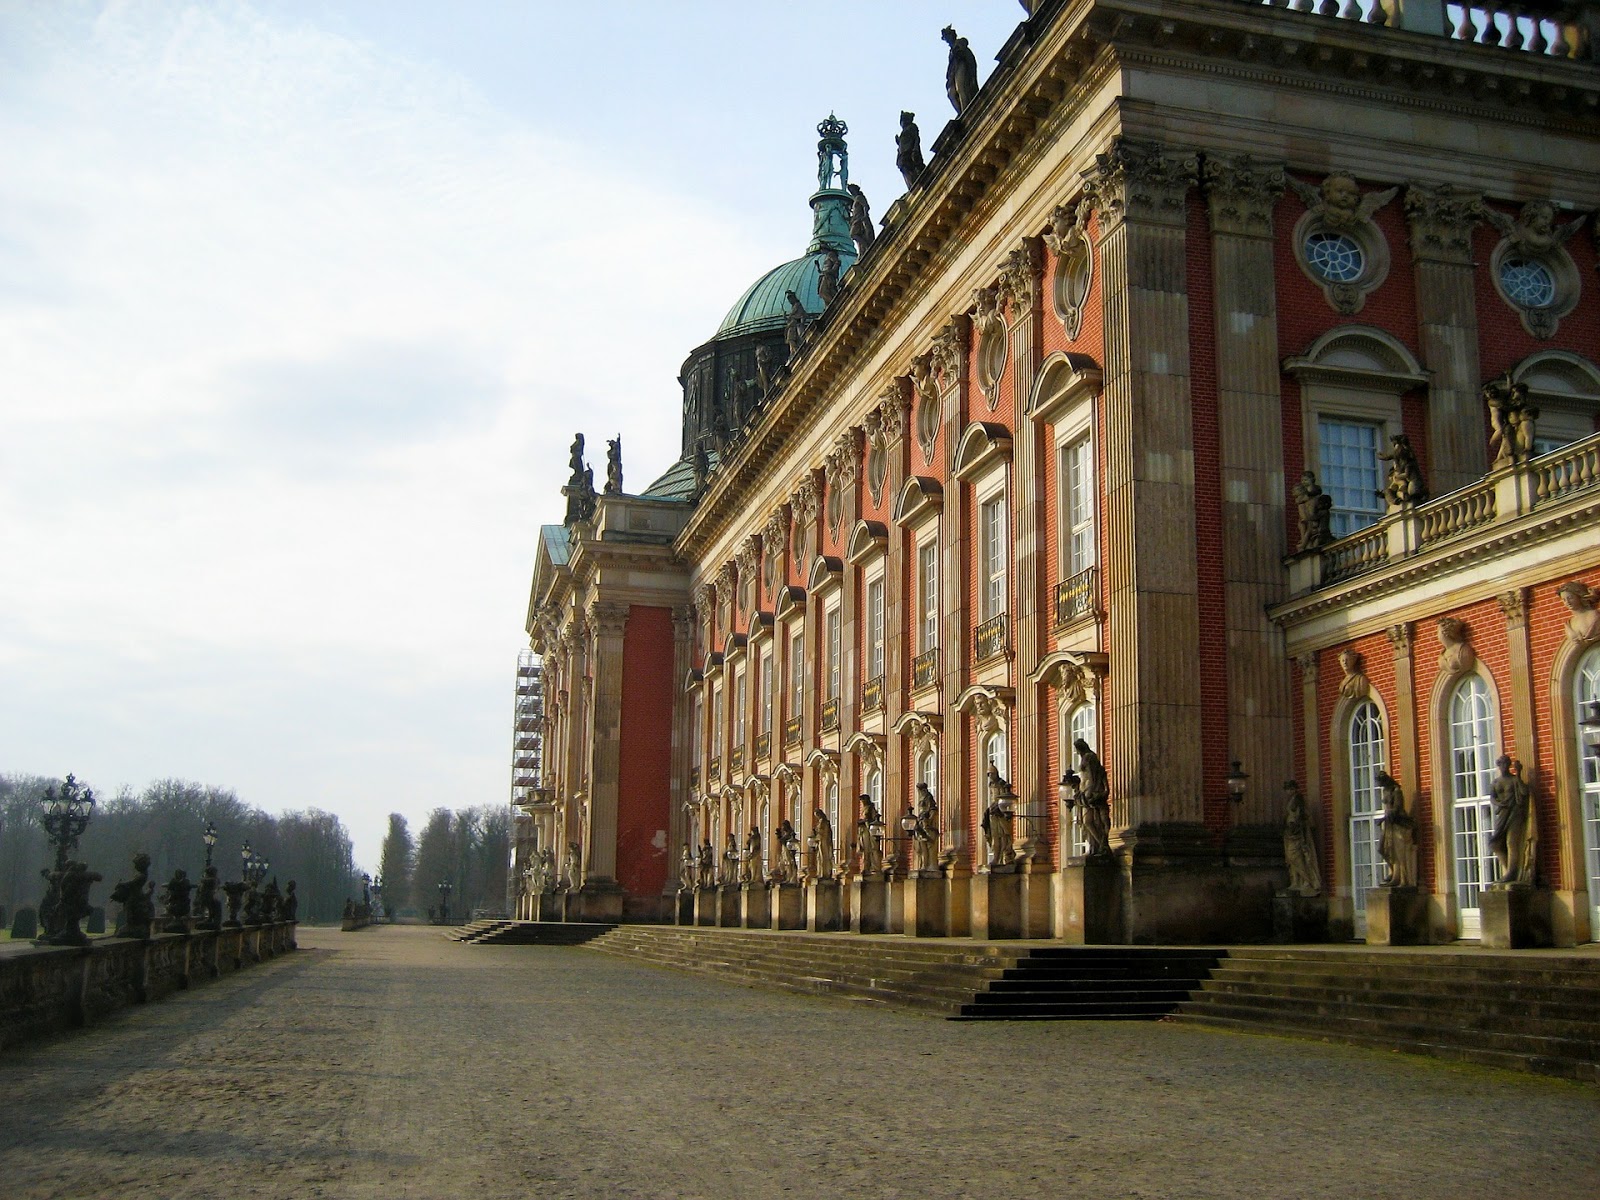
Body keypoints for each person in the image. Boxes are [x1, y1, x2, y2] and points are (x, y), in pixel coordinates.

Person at [1376, 771, 1416, 888]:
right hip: (1389, 823)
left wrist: (1383, 819)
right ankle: (1394, 872)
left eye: (1379, 781)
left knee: (1398, 853)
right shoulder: (1385, 790)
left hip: (1397, 823)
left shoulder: (1396, 791)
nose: (1378, 784)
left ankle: (1401, 878)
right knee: (1383, 849)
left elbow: (1397, 809)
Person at [1281, 781, 1321, 896]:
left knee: (1296, 856)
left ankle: (1307, 880)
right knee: (1291, 858)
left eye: (1289, 789)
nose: (1288, 791)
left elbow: (1302, 817)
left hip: (1297, 833)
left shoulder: (1299, 800)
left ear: (1294, 789)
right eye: (1287, 789)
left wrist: (1296, 826)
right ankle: (1296, 881)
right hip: (1290, 832)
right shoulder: (1291, 800)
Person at [855, 795, 883, 876]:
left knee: (872, 848)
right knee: (865, 850)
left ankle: (874, 867)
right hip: (863, 830)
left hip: (870, 830)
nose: (862, 801)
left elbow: (874, 819)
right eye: (861, 800)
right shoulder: (864, 809)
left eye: (863, 800)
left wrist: (865, 821)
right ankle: (866, 867)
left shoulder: (871, 808)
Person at [813, 808, 835, 879]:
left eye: (817, 815)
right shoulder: (822, 821)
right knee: (820, 857)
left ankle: (824, 873)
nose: (817, 817)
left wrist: (816, 833)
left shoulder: (823, 822)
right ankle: (821, 872)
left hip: (823, 841)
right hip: (821, 841)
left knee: (823, 857)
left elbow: (822, 832)